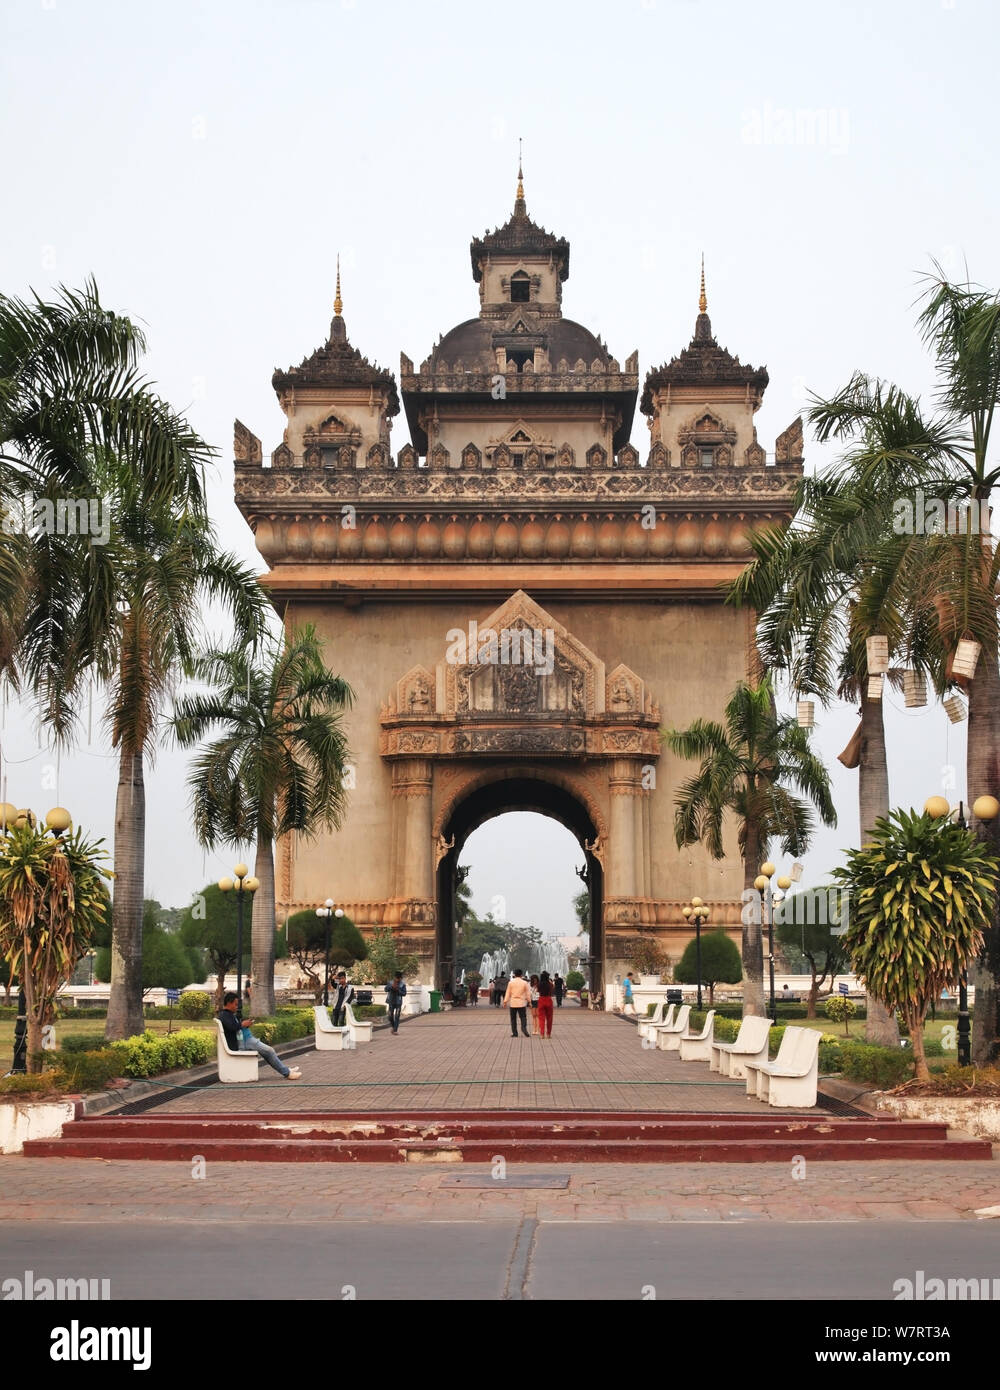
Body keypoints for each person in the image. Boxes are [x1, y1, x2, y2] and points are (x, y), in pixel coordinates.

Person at [217, 993, 301, 1079]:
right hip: (244, 1042)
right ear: (229, 1003)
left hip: (246, 1040)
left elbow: (235, 1026)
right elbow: (232, 1027)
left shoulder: (228, 1014)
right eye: (235, 1004)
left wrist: (245, 1024)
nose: (237, 1006)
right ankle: (287, 1073)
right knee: (269, 1051)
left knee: (268, 1051)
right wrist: (242, 1024)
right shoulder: (224, 1015)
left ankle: (286, 1070)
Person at [503, 969, 531, 1038]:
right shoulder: (525, 983)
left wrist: (505, 1002)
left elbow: (508, 993)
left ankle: (515, 1033)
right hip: (521, 1003)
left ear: (514, 975)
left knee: (513, 1019)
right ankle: (524, 1028)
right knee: (523, 1017)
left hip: (513, 1003)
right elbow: (528, 993)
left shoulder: (511, 983)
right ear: (521, 975)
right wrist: (529, 1002)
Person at [538, 970, 554, 1038]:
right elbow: (553, 987)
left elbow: (537, 990)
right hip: (548, 1000)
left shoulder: (539, 984)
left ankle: (542, 1034)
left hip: (541, 1000)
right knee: (549, 1018)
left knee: (541, 1018)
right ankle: (548, 1034)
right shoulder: (550, 984)